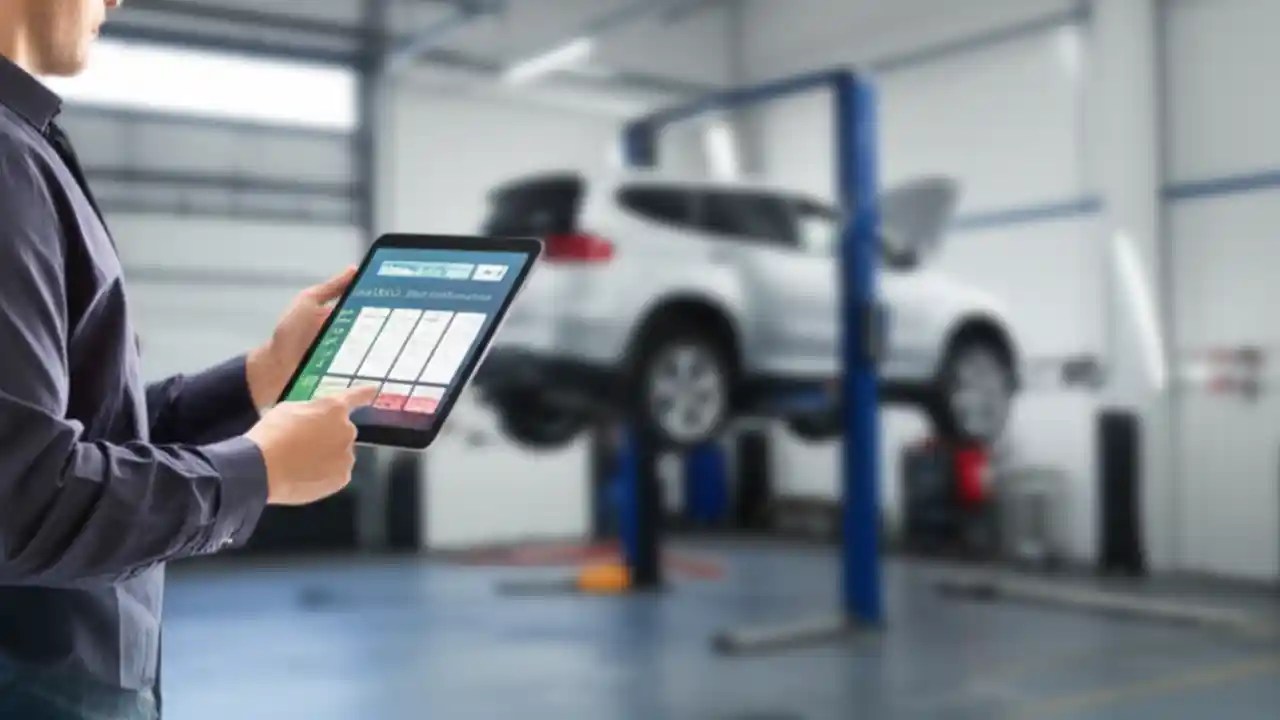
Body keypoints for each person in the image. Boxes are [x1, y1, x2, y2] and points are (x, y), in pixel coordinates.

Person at [0, 1, 379, 717]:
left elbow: (82, 432)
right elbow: (22, 501)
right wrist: (255, 471)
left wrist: (259, 377)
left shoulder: (26, 139)